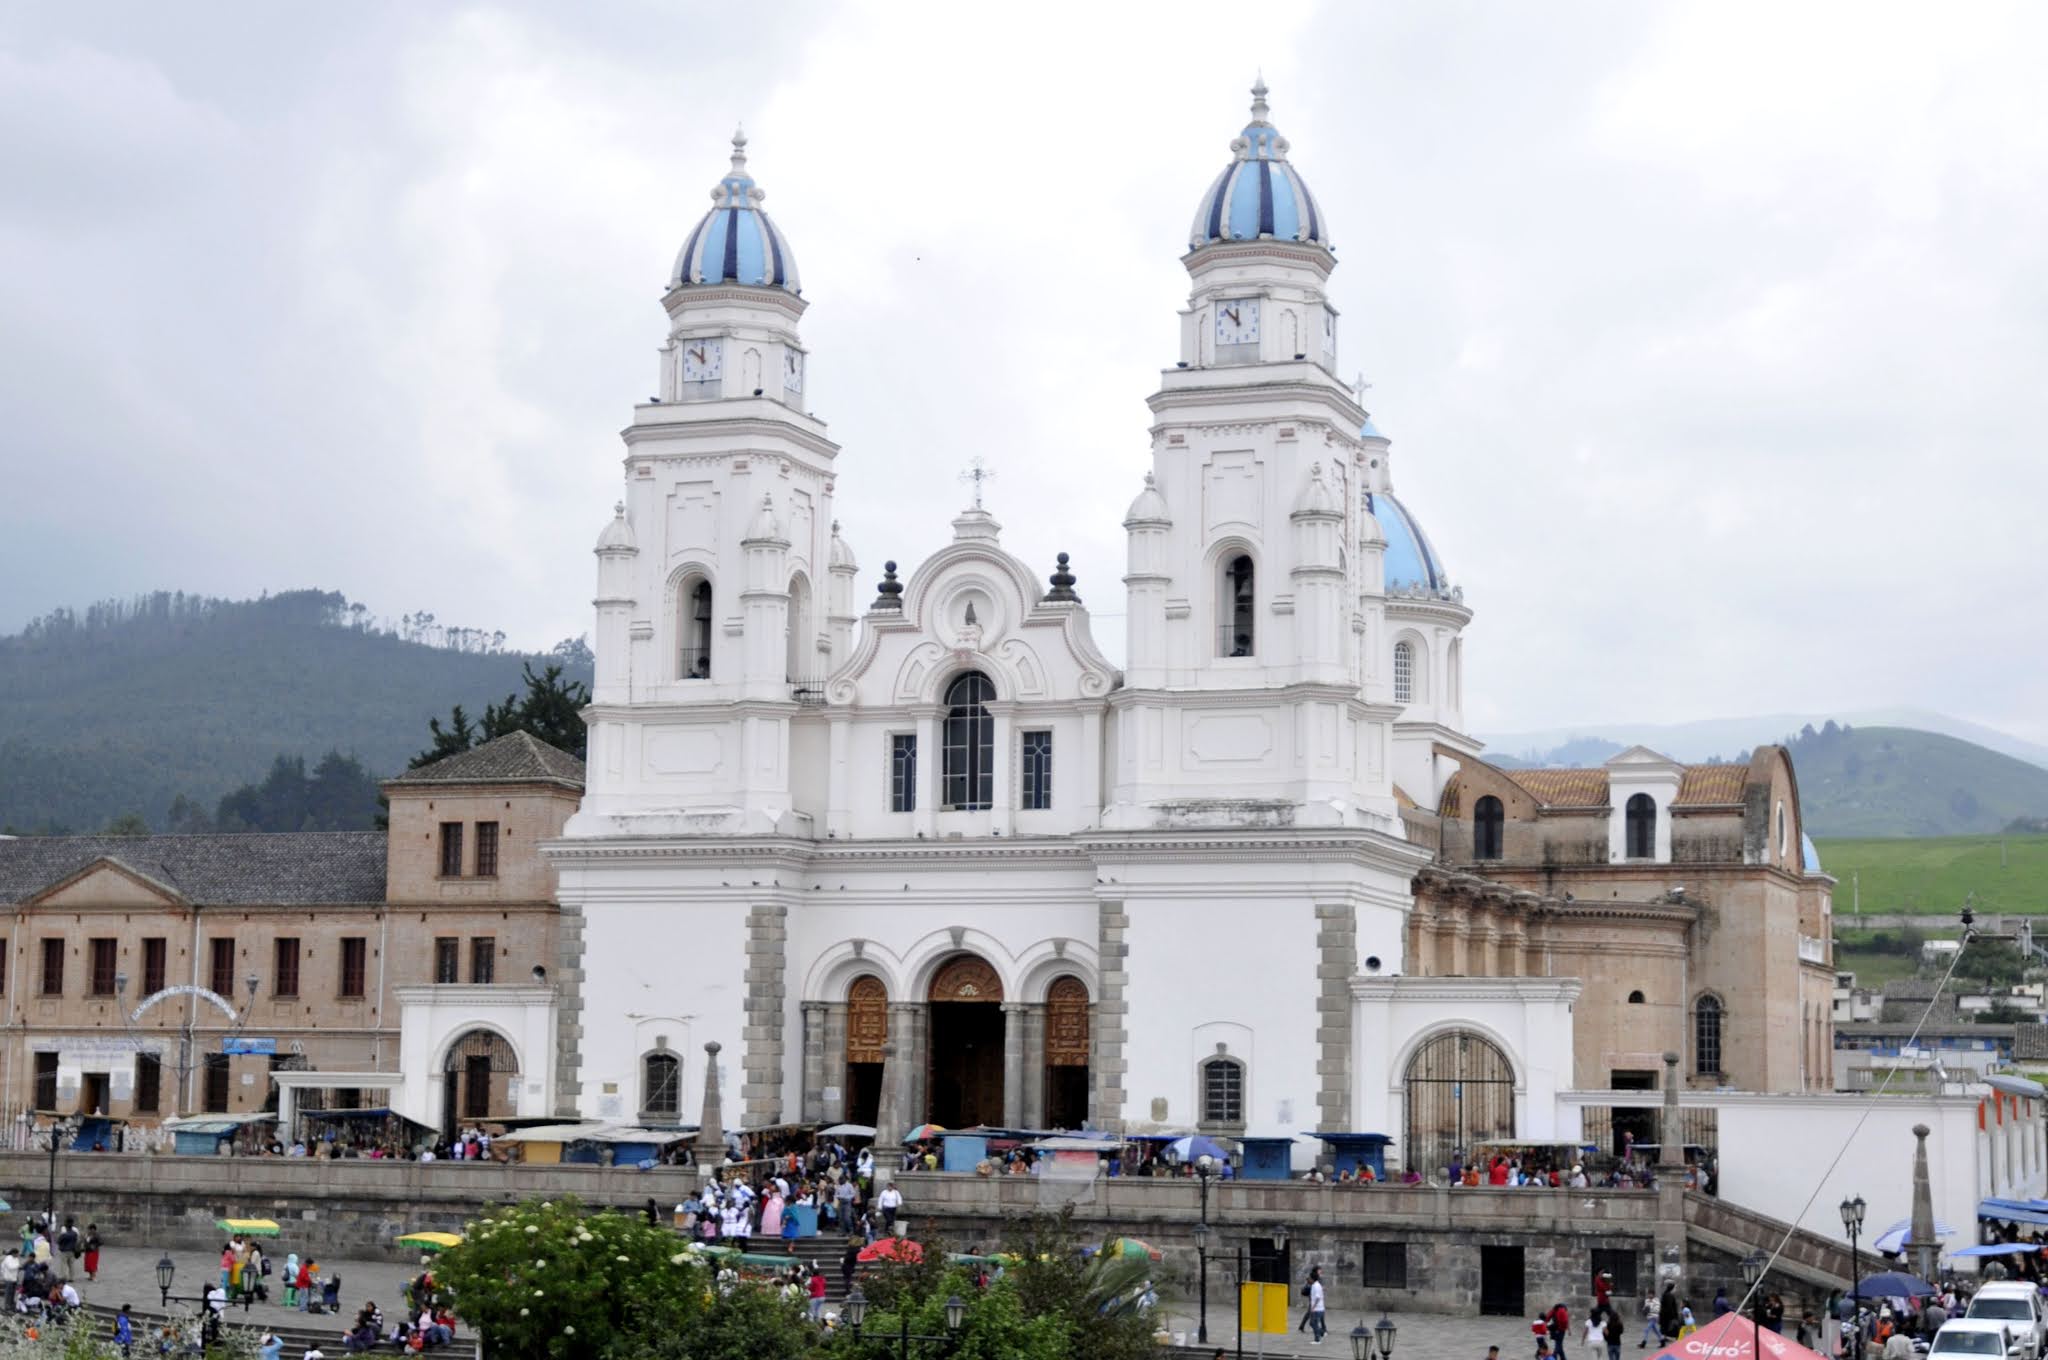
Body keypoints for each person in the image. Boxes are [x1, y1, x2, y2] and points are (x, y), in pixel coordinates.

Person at [1305, 1268, 1327, 1344]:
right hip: (1320, 1308)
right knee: (1312, 1323)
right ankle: (1321, 1332)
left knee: (1313, 1323)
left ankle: (1317, 1339)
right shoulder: (1316, 1285)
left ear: (1312, 1279)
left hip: (1317, 1309)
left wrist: (1313, 1307)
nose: (1308, 1279)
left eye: (1310, 1278)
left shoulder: (1316, 1286)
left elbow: (1317, 1297)